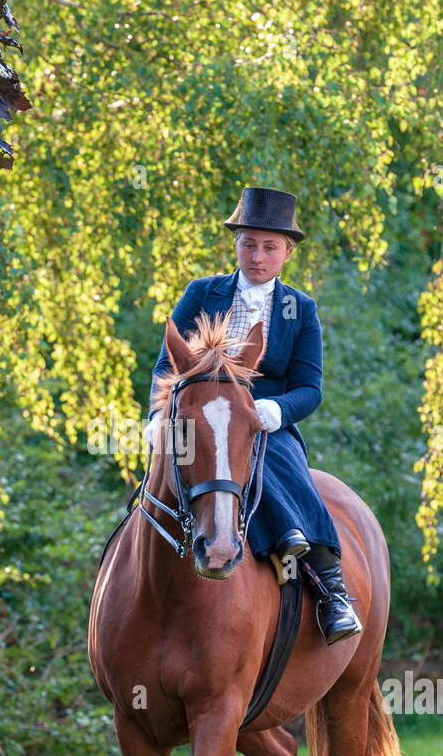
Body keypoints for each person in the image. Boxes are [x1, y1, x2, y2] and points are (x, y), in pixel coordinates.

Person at [148, 185, 363, 645]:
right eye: (249, 244)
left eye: (269, 247)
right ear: (236, 245)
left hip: (263, 420)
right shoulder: (202, 293)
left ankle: (331, 590)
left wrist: (276, 409)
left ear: (287, 253)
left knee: (282, 465)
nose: (257, 256)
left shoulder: (301, 309)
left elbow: (311, 388)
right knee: (165, 473)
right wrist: (156, 416)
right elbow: (169, 362)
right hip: (200, 411)